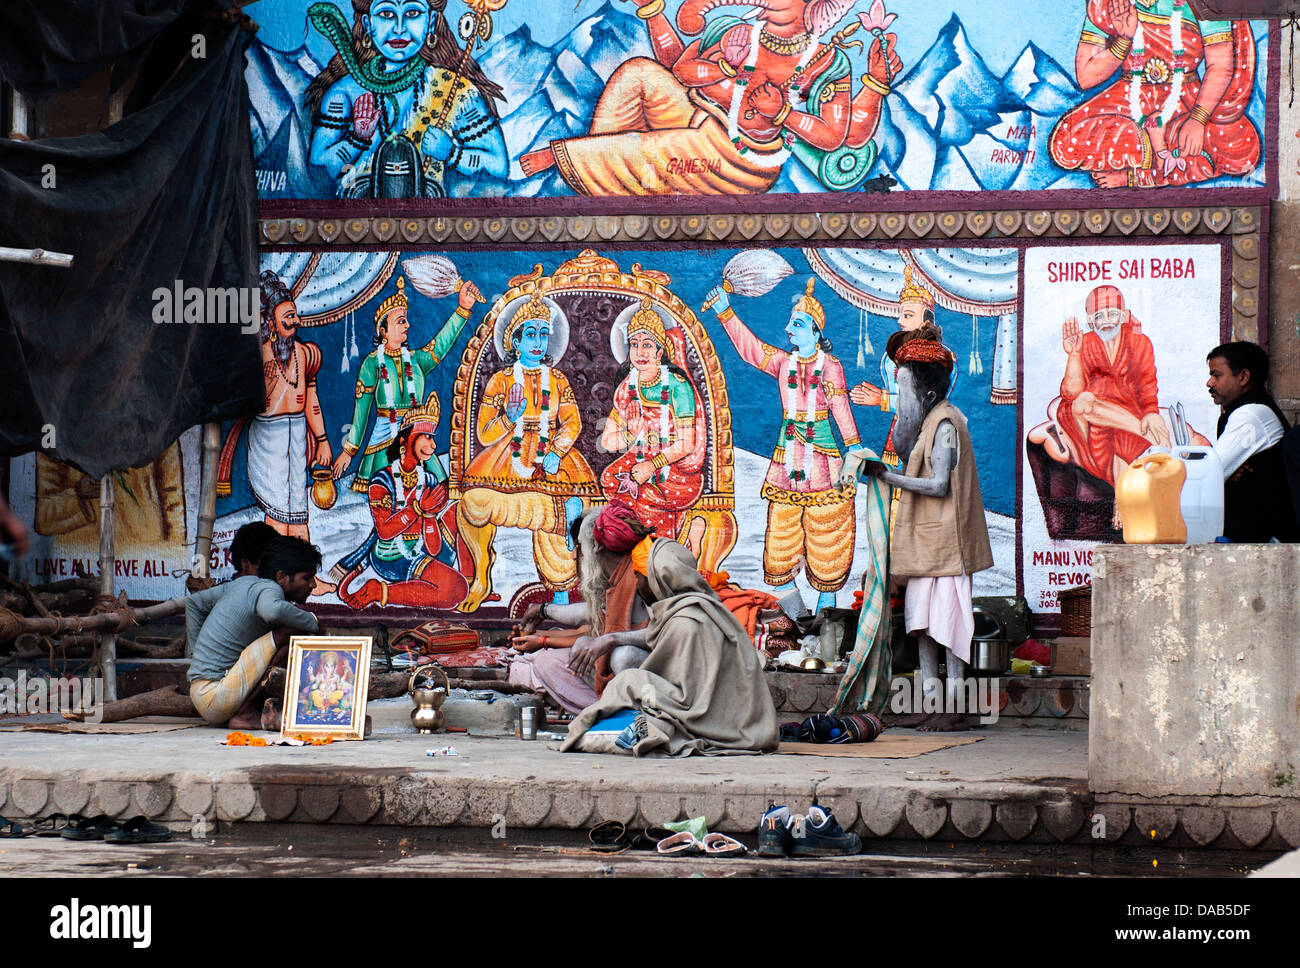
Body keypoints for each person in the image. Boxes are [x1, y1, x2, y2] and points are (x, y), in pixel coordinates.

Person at [520, 1, 900, 195]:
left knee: (656, 151)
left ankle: (566, 157)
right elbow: (679, 68)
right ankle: (602, 184)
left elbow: (840, 137)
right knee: (639, 74)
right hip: (702, 120)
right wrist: (656, 13)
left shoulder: (826, 61)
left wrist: (782, 111)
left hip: (741, 162)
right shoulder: (739, 33)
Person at [859, 332, 993, 731]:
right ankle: (933, 703)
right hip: (925, 544)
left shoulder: (947, 424)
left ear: (928, 392)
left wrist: (888, 478)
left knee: (947, 626)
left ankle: (955, 709)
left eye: (904, 389)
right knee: (922, 625)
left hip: (948, 545)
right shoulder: (930, 422)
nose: (901, 400)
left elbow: (939, 486)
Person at [706, 277, 860, 612]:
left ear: (816, 332)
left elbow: (840, 407)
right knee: (779, 543)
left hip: (823, 464)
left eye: (798, 324)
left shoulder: (831, 367)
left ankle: (826, 618)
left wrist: (854, 451)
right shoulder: (783, 363)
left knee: (828, 544)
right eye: (790, 322)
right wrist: (724, 311)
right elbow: (752, 350)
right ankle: (799, 616)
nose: (789, 329)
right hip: (785, 465)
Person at [563, 536, 779, 755]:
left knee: (629, 684)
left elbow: (686, 699)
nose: (636, 585)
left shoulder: (685, 621)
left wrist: (636, 688)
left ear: (656, 580)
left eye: (638, 577)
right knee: (631, 691)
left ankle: (587, 731)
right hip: (716, 713)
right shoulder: (698, 609)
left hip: (707, 718)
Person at [456, 290, 595, 610]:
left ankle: (561, 596)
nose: (538, 342)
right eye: (530, 334)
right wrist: (509, 417)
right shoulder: (501, 381)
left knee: (561, 506)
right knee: (473, 503)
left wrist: (556, 452)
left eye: (543, 335)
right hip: (507, 457)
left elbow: (572, 423)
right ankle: (480, 578)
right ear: (515, 342)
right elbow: (485, 433)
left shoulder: (557, 380)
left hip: (553, 460)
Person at [304, 0, 507, 198]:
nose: (399, 28)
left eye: (412, 13)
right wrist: (357, 140)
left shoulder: (457, 91)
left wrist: (452, 154)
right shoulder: (343, 93)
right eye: (386, 14)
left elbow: (498, 165)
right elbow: (318, 172)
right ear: (368, 24)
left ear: (431, 22)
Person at [1048, 0, 1260, 188]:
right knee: (1067, 141)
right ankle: (1164, 163)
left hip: (1186, 103)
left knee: (1238, 148)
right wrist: (1123, 40)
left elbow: (1220, 65)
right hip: (1126, 100)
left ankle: (1141, 174)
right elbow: (1086, 77)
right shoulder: (1109, 4)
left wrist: (1198, 119)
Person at [332, 274, 482, 495]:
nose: (407, 325)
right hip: (384, 444)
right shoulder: (372, 364)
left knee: (431, 495)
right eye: (400, 321)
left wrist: (462, 309)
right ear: (383, 331)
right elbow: (361, 413)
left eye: (406, 319)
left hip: (418, 438)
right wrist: (349, 450)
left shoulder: (417, 360)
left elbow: (441, 343)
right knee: (387, 497)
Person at [509, 504, 655, 715]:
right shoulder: (614, 576)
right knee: (578, 647)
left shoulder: (643, 573)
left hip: (659, 672)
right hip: (629, 670)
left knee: (622, 656)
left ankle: (636, 717)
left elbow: (663, 633)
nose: (578, 556)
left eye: (580, 547)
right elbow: (592, 613)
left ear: (595, 547)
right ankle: (606, 710)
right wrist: (543, 610)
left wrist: (611, 639)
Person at [335, 398, 470, 609]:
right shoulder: (382, 481)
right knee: (454, 590)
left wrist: (429, 516)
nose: (433, 445)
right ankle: (378, 591)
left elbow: (433, 549)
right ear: (405, 441)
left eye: (432, 438)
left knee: (464, 513)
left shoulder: (429, 480)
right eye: (425, 437)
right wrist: (418, 508)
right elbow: (385, 532)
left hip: (419, 552)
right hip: (389, 556)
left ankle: (475, 585)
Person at [599, 299, 708, 549]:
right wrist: (630, 433)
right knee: (610, 480)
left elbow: (686, 443)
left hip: (674, 466)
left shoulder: (678, 387)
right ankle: (639, 558)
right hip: (638, 460)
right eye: (635, 345)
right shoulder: (628, 385)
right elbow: (607, 441)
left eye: (647, 345)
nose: (641, 352)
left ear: (660, 352)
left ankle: (671, 547)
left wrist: (652, 465)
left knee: (647, 494)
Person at [186, 536, 323, 729]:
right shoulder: (269, 588)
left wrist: (192, 654)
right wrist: (313, 621)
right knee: (289, 633)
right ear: (281, 577)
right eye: (307, 578)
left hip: (201, 692)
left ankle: (252, 709)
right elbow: (272, 610)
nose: (313, 585)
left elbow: (194, 603)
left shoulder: (242, 583)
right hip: (216, 696)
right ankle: (247, 713)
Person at [849, 265, 955, 468]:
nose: (899, 321)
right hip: (899, 435)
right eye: (901, 315)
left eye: (907, 315)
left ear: (926, 321)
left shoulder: (941, 357)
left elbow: (929, 402)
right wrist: (881, 397)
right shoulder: (892, 358)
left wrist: (881, 399)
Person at [1205, 341, 1299, 542]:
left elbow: (1209, 474)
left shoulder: (1251, 414)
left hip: (1266, 539)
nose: (1209, 383)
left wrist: (1222, 475)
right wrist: (1227, 474)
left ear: (1243, 377)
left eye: (1217, 375)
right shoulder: (1242, 411)